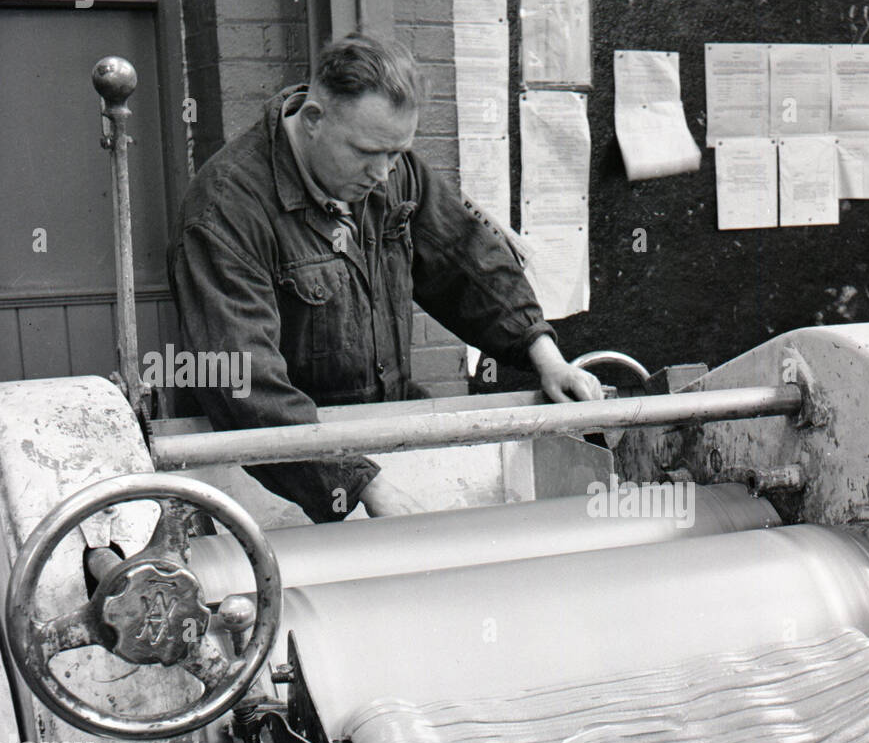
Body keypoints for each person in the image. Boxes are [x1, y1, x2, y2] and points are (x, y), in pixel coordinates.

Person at [168, 30, 602, 523]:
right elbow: (242, 381)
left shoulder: (393, 169)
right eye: (368, 153)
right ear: (313, 120)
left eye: (397, 153)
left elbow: (468, 261)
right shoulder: (225, 211)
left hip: (385, 451)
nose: (383, 173)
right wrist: (355, 481)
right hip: (277, 482)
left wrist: (545, 356)